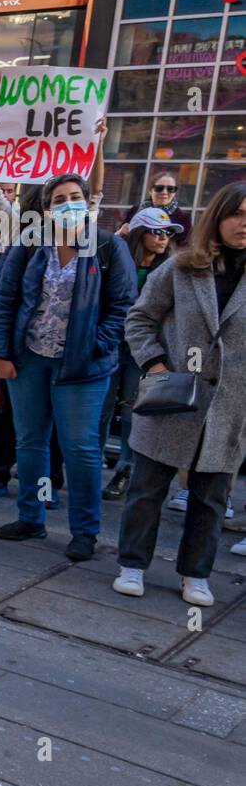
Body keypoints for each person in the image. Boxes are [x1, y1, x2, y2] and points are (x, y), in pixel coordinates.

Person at [0, 172, 137, 561]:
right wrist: (0, 353)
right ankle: (31, 517)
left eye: (75, 196)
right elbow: (4, 299)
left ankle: (84, 531)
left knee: (81, 448)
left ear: (87, 203)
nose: (68, 203)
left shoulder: (108, 246)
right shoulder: (29, 244)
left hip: (83, 367)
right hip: (29, 360)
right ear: (45, 209)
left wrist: (96, 346)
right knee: (30, 441)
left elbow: (123, 307)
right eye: (59, 199)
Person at [112, 182, 246, 607]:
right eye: (236, 214)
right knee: (148, 488)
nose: (244, 223)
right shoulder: (184, 266)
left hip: (231, 403)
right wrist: (155, 364)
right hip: (173, 395)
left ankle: (196, 573)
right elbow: (139, 318)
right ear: (218, 218)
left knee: (211, 496)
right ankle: (132, 564)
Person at [101, 207, 180, 501]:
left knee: (132, 411)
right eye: (156, 231)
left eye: (168, 233)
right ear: (139, 234)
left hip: (144, 350)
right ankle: (90, 464)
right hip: (110, 344)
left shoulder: (170, 270)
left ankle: (125, 470)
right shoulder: (116, 261)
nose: (163, 238)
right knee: (101, 409)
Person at [118, 171, 192, 248]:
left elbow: (183, 248)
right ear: (150, 191)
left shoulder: (183, 219)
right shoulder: (134, 211)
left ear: (175, 193)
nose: (164, 192)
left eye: (171, 189)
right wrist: (119, 233)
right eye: (159, 188)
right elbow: (121, 240)